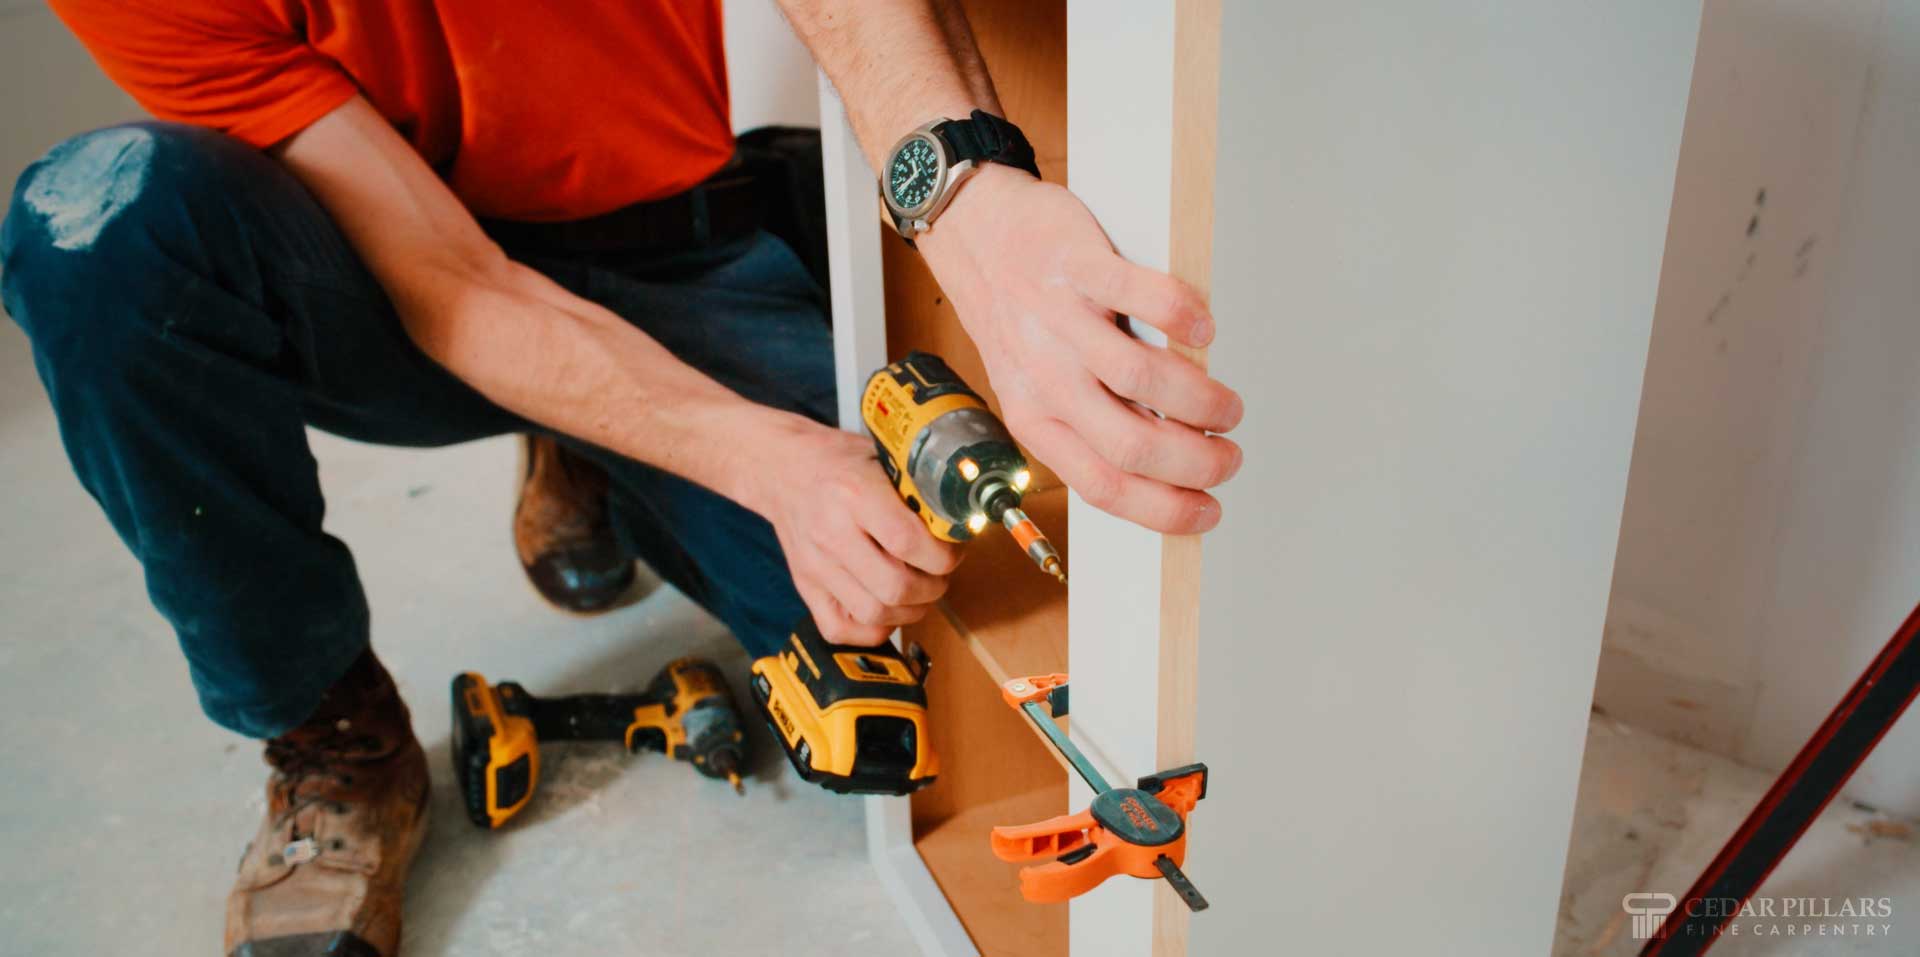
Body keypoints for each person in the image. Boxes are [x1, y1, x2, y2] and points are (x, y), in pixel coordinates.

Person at [1, 1, 1244, 953]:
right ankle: (329, 731)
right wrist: (778, 462)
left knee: (909, 655)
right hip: (404, 270)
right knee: (99, 230)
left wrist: (957, 181)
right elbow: (458, 287)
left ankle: (600, 435)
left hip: (668, 237)